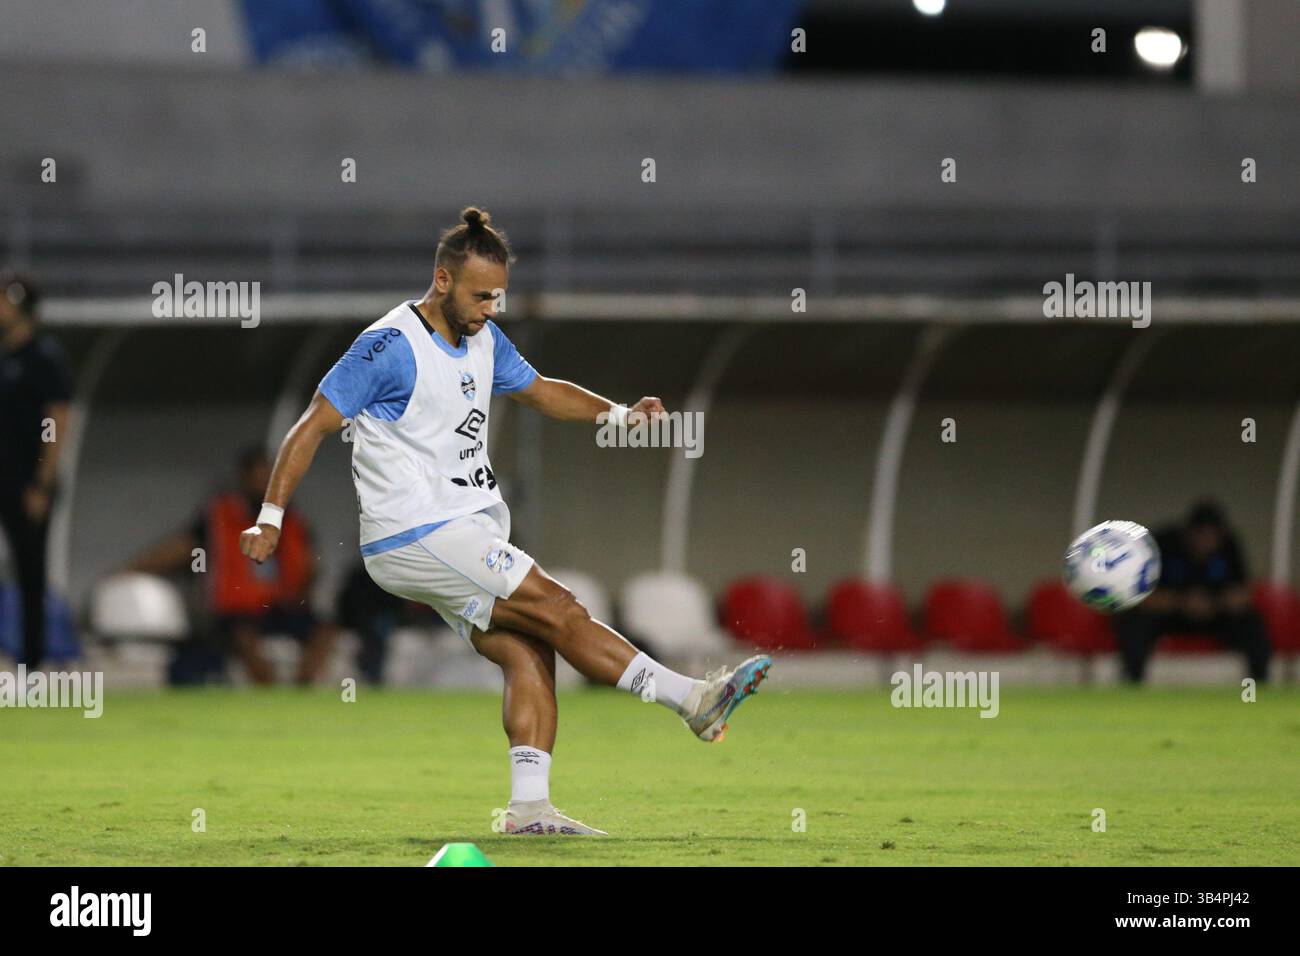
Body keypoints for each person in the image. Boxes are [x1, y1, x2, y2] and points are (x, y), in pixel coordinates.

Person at [240, 207, 770, 836]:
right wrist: (269, 517)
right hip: (418, 529)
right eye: (480, 294)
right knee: (562, 608)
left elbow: (541, 389)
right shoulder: (388, 346)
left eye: (498, 295)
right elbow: (310, 426)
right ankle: (693, 701)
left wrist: (620, 414)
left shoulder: (484, 337)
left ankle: (529, 810)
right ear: (442, 280)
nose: (491, 306)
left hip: (460, 529)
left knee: (529, 648)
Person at [124, 447, 337, 685]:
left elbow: (311, 566)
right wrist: (128, 570)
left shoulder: (293, 519)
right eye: (259, 475)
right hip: (237, 613)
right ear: (244, 478)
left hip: (280, 606)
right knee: (244, 637)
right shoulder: (220, 516)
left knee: (324, 631)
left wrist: (303, 592)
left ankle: (303, 689)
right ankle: (270, 695)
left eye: (270, 476)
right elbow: (180, 548)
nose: (265, 483)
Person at [1114, 500, 1271, 684]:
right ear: (1188, 533)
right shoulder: (1163, 543)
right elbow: (1139, 596)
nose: (1207, 543)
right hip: (1169, 615)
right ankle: (1132, 683)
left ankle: (1258, 686)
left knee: (1251, 622)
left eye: (1213, 537)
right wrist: (1181, 602)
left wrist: (1216, 602)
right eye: (1202, 535)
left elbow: (1244, 593)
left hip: (1216, 615)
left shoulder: (1229, 545)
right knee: (1134, 621)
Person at [0, 273, 71, 672]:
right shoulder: (6, 356)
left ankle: (33, 664)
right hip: (3, 477)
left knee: (31, 572)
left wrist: (42, 482)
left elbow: (58, 418)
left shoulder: (43, 355)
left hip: (29, 483)